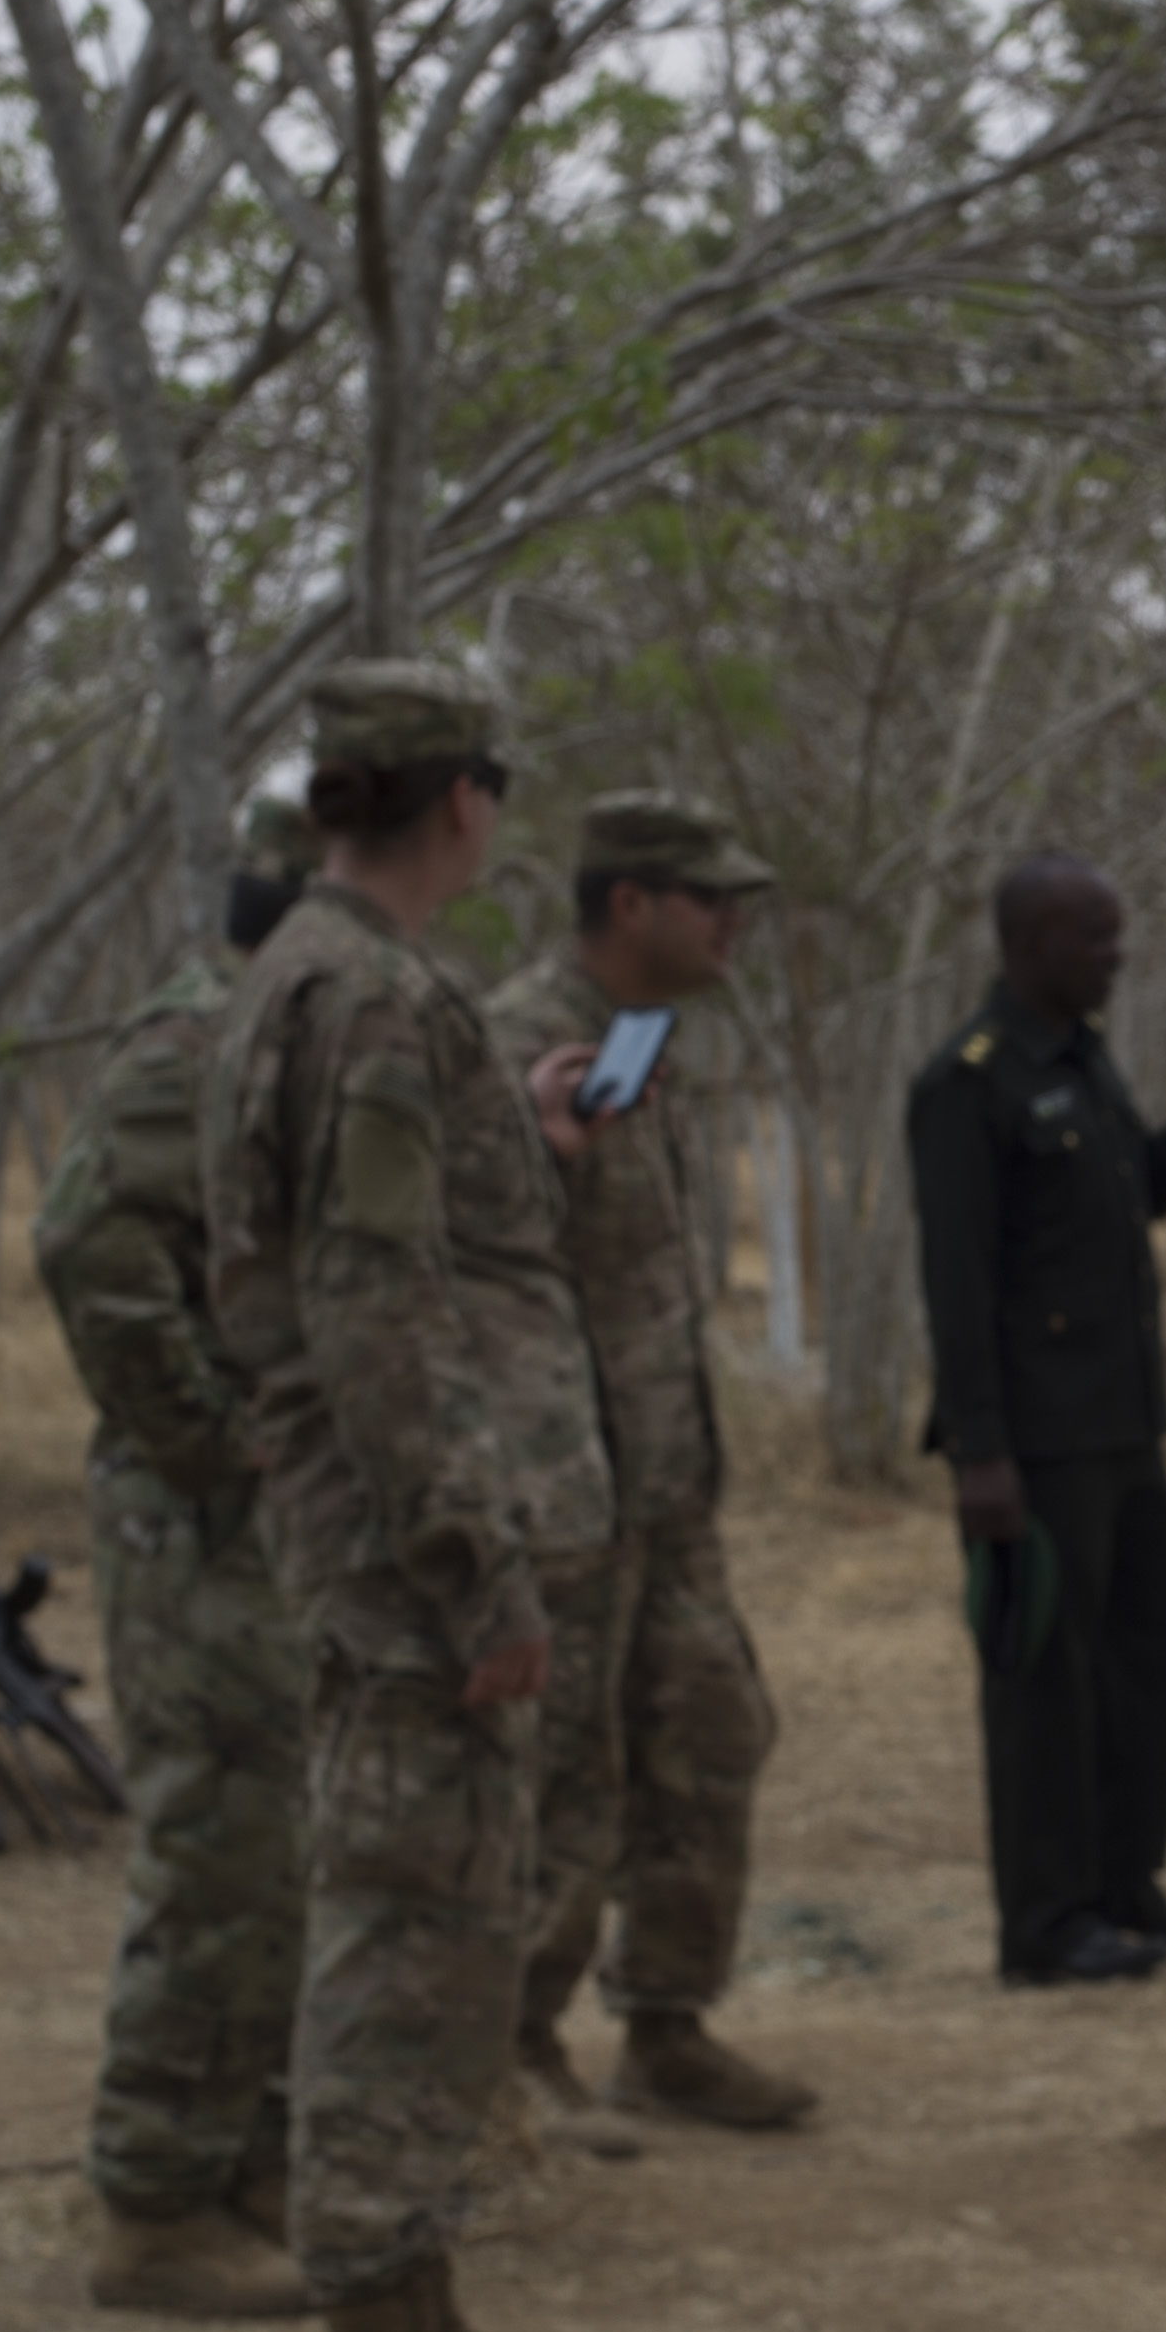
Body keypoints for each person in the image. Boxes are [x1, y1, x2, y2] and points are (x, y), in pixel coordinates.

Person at [205, 662, 622, 2332]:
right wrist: (474, 1570)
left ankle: (417, 2304)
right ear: (462, 798)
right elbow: (372, 1307)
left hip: (390, 1543)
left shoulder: (331, 981)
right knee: (402, 1929)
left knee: (448, 1922)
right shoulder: (365, 996)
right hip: (402, 1563)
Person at [491, 793, 809, 2128]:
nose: (735, 921)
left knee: (710, 1733)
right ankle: (513, 2047)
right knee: (566, 1773)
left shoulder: (642, 1044)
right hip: (562, 1491)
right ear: (631, 904)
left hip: (667, 1480)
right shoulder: (510, 1045)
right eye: (710, 898)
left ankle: (666, 2026)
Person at [38, 797, 316, 2317]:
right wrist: (211, 1438)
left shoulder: (276, 1041)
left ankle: (248, 2161)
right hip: (198, 1525)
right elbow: (87, 1241)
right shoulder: (197, 1039)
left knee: (290, 1846)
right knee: (220, 1842)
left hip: (270, 1528)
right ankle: (154, 2202)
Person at [907, 854, 1166, 1988]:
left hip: (1121, 1429)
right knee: (1041, 1687)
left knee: (1145, 1656)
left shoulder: (1082, 1064)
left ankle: (1123, 1886)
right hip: (1034, 1444)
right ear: (1030, 946)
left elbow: (1141, 1195)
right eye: (1096, 940)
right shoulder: (970, 1081)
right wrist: (981, 1450)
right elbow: (957, 1282)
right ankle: (1044, 1923)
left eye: (1117, 936)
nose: (1116, 956)